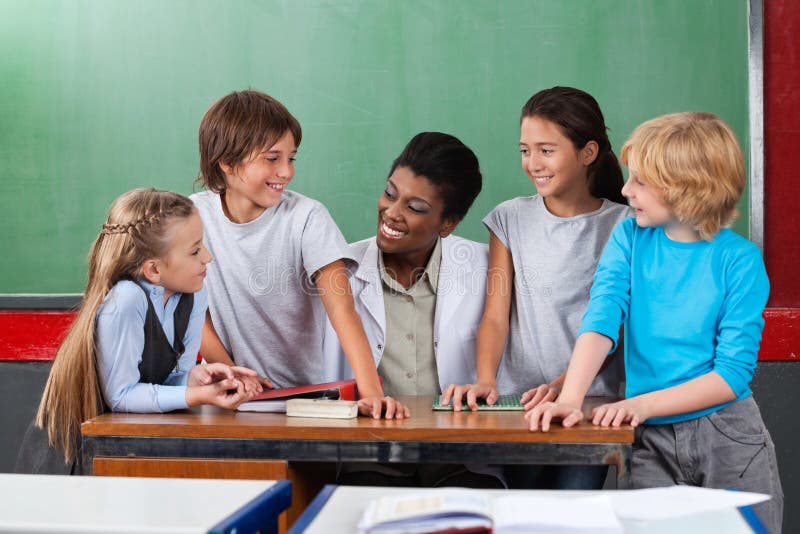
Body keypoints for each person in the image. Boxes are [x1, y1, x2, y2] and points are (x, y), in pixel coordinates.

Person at [527, 112, 783, 532]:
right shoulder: (629, 238)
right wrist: (571, 398)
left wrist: (641, 405)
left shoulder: (739, 261)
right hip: (649, 439)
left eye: (640, 181)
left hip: (727, 436)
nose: (625, 190)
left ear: (688, 187)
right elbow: (602, 319)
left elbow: (731, 375)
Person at [443, 87, 630, 489]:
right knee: (521, 513)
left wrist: (566, 386)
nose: (532, 163)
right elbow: (495, 314)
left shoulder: (624, 225)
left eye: (547, 150)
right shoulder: (509, 218)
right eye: (525, 150)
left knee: (571, 515)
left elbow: (612, 327)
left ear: (588, 152)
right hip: (520, 404)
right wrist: (486, 379)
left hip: (588, 405)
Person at [191, 90, 408, 419]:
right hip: (226, 398)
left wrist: (372, 393)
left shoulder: (307, 217)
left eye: (291, 158)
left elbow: (343, 311)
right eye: (272, 158)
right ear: (228, 162)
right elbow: (194, 310)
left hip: (302, 402)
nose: (286, 171)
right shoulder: (192, 218)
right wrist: (235, 374)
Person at [17, 188, 259, 475]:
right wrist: (197, 396)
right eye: (195, 250)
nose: (207, 257)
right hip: (74, 456)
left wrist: (195, 379)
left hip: (126, 445)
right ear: (153, 270)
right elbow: (121, 396)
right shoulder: (127, 299)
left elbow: (168, 380)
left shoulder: (194, 295)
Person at [323, 132, 502, 487]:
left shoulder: (485, 270)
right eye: (391, 193)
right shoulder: (339, 271)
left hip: (460, 456)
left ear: (447, 224)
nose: (392, 212)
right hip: (368, 456)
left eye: (415, 207)